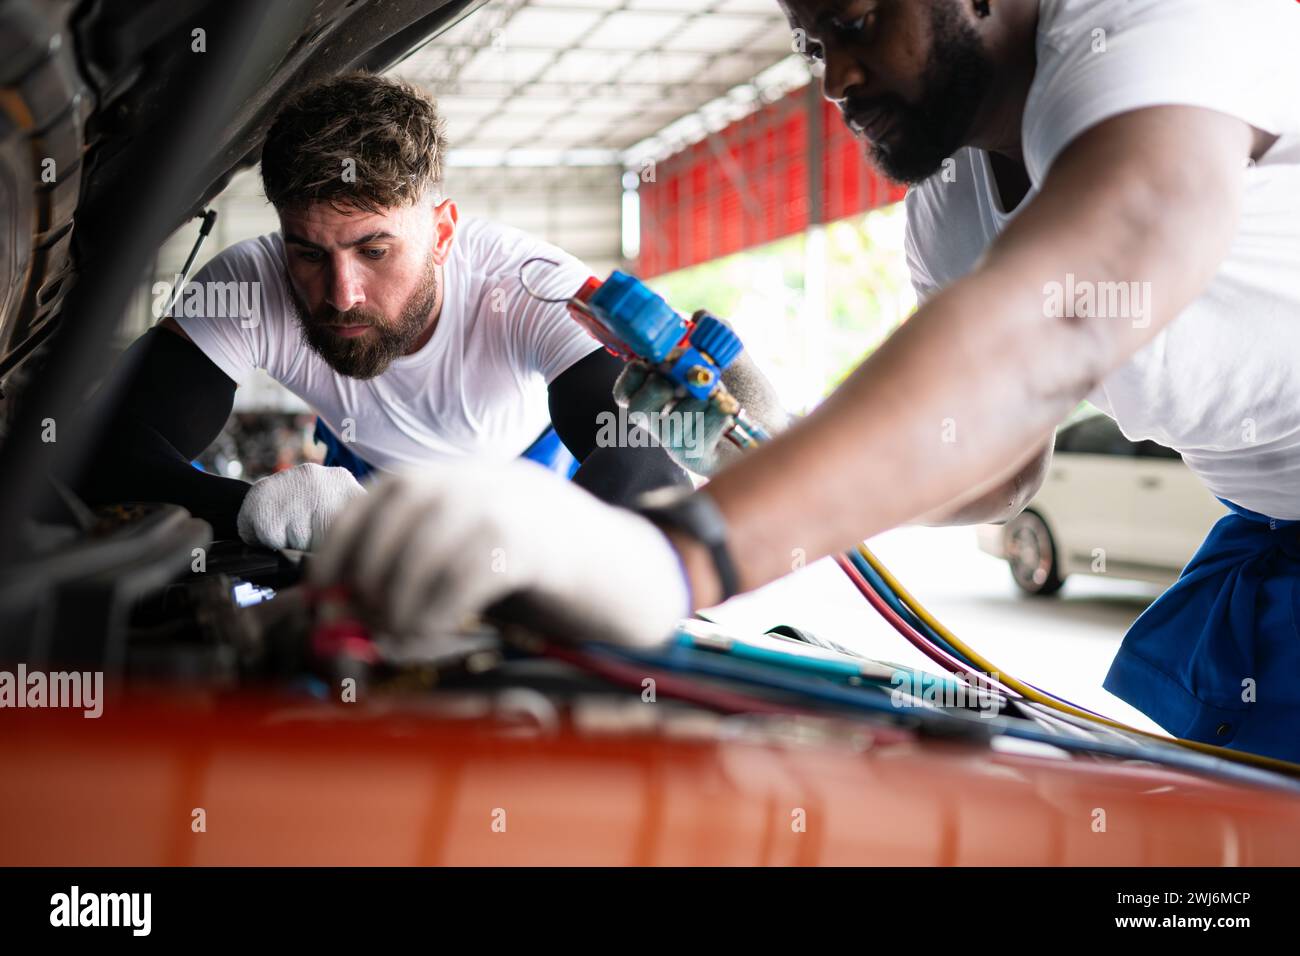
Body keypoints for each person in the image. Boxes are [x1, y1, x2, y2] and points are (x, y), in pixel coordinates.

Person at [313, 1, 1300, 761]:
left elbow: (1063, 310)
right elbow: (999, 464)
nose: (836, 78)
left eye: (857, 22)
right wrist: (776, 435)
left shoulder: (1158, 32)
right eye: (813, 40)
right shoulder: (951, 208)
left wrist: (676, 557)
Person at [78, 72, 784, 550]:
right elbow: (104, 446)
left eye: (375, 250)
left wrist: (587, 560)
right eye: (309, 254)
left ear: (443, 232)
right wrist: (247, 509)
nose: (341, 293)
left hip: (530, 468)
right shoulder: (254, 280)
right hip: (358, 477)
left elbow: (633, 461)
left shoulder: (530, 285)